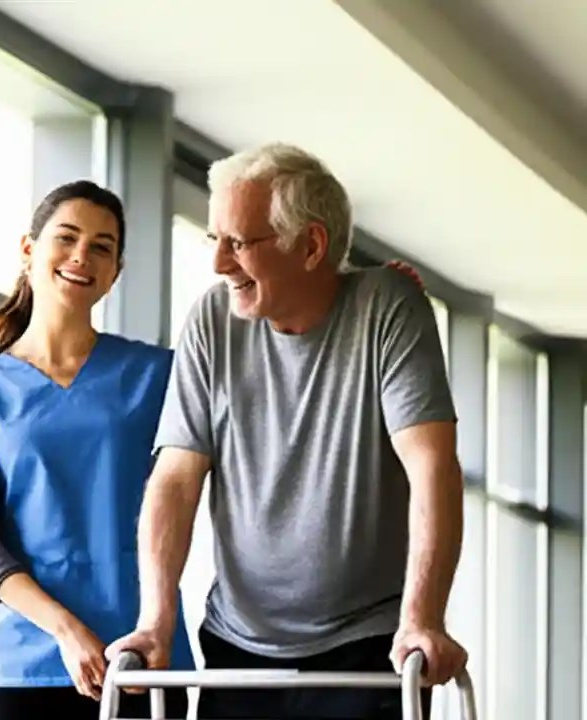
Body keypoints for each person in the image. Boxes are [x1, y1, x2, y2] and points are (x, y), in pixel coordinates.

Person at [107, 142, 468, 719]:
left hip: (366, 647)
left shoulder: (388, 308)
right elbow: (176, 477)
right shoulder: (212, 319)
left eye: (239, 243)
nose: (220, 263)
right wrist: (155, 621)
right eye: (214, 240)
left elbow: (432, 467)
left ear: (311, 246)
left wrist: (423, 618)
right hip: (239, 647)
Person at [0, 180, 195, 720]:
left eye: (102, 246)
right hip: (22, 663)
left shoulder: (158, 375)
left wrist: (369, 296)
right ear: (29, 249)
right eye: (67, 237)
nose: (82, 256)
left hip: (139, 658)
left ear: (116, 271)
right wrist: (66, 629)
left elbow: (269, 376)